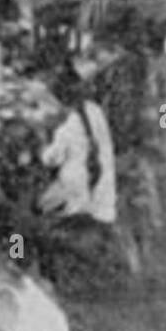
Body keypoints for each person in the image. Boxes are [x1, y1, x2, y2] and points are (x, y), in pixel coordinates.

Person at [39, 65, 117, 226]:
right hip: (105, 189)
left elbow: (50, 160)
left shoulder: (66, 129)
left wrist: (42, 147)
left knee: (38, 206)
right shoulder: (95, 110)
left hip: (79, 193)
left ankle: (19, 245)